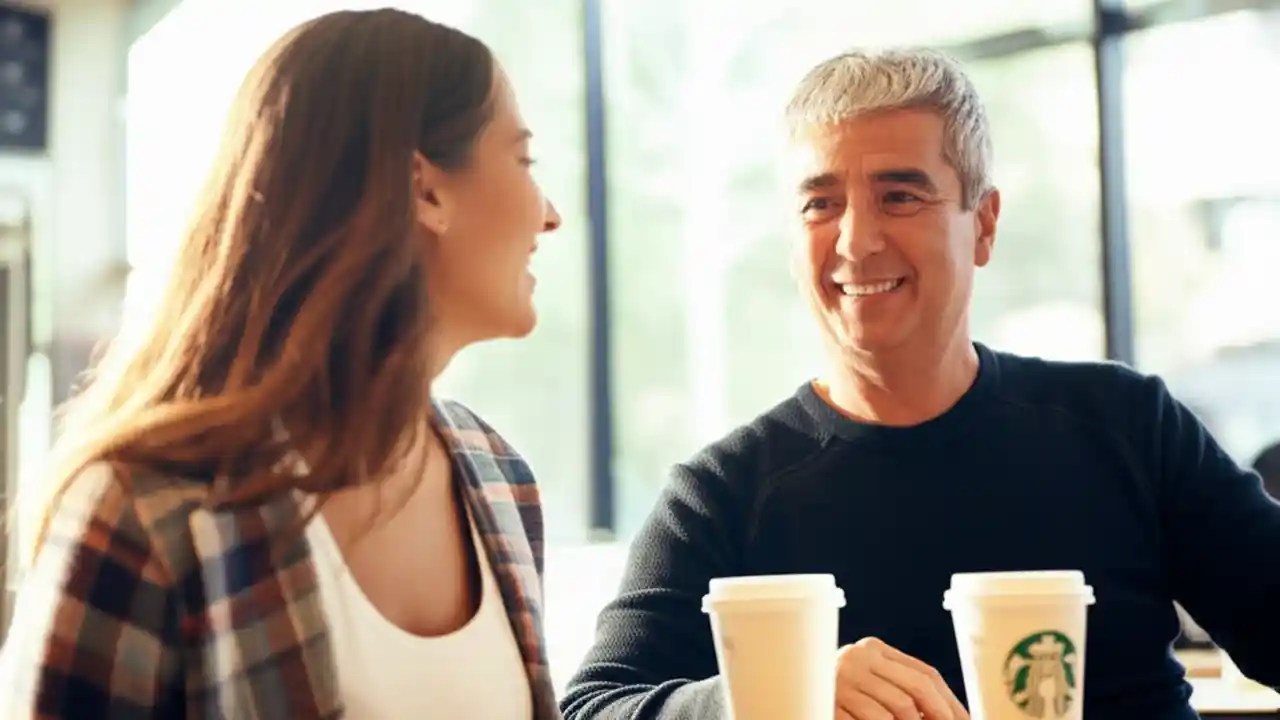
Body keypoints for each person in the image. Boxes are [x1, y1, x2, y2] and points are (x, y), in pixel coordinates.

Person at [561, 48, 1280, 720]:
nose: (854, 241)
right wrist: (773, 694)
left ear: (985, 224)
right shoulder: (723, 494)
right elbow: (595, 706)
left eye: (900, 196)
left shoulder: (1126, 427)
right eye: (820, 203)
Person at [0, 9, 562, 719]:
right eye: (524, 161)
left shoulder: (502, 483)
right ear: (425, 189)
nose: (550, 215)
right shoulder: (148, 507)